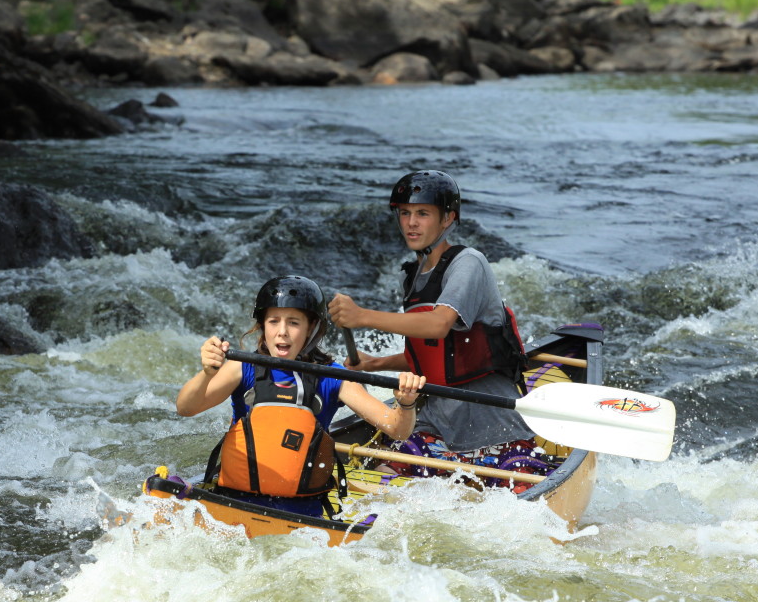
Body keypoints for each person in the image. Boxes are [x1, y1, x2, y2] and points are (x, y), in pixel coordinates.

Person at [328, 170, 552, 491]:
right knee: (379, 479)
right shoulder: (411, 277)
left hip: (497, 429)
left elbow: (438, 323)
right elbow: (432, 354)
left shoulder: (468, 263)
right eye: (404, 213)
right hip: (437, 427)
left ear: (447, 219)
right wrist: (374, 364)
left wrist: (362, 316)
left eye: (422, 214)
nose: (411, 223)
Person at [177, 275, 426, 517]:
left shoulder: (333, 377)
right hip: (235, 502)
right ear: (263, 326)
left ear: (311, 330)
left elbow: (397, 429)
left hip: (303, 514)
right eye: (274, 321)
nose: (282, 331)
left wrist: (406, 401)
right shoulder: (243, 367)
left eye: (294, 323)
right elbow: (186, 408)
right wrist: (206, 373)